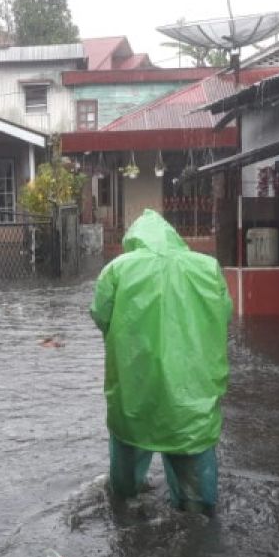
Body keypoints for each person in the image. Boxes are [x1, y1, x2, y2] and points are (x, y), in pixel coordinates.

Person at [90, 209, 233, 515]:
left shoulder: (117, 270)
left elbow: (101, 316)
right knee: (193, 465)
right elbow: (224, 315)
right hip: (190, 389)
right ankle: (195, 516)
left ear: (135, 239)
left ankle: (127, 505)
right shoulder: (208, 268)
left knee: (127, 460)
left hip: (135, 384)